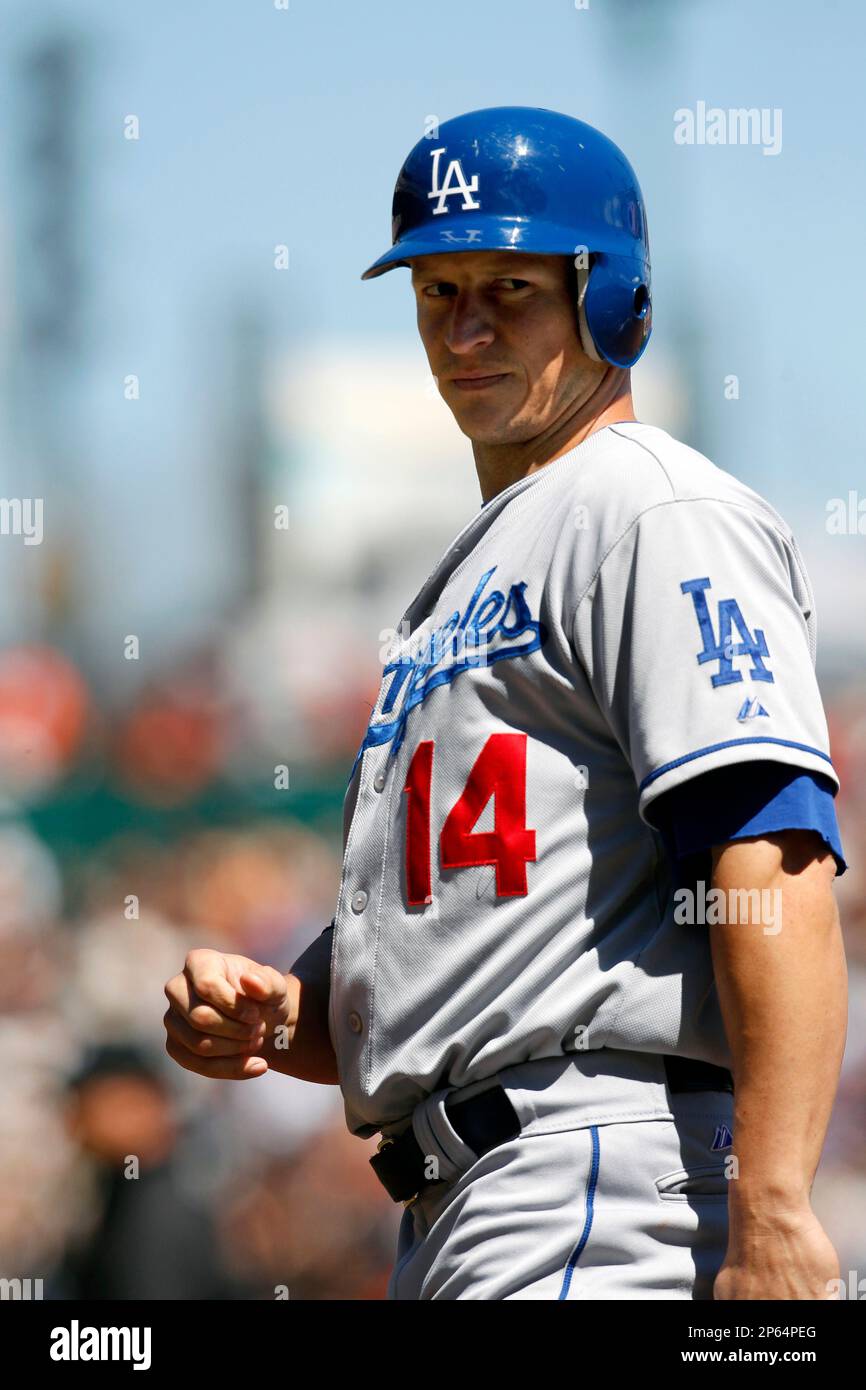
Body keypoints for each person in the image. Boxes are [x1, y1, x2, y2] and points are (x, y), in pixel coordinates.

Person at [164, 107, 848, 1300]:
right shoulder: (469, 574)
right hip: (469, 1203)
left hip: (594, 1179)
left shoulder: (648, 508)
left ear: (610, 298)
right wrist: (294, 1012)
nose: (464, 327)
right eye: (435, 292)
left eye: (509, 288)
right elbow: (468, 947)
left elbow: (768, 852)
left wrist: (776, 1205)